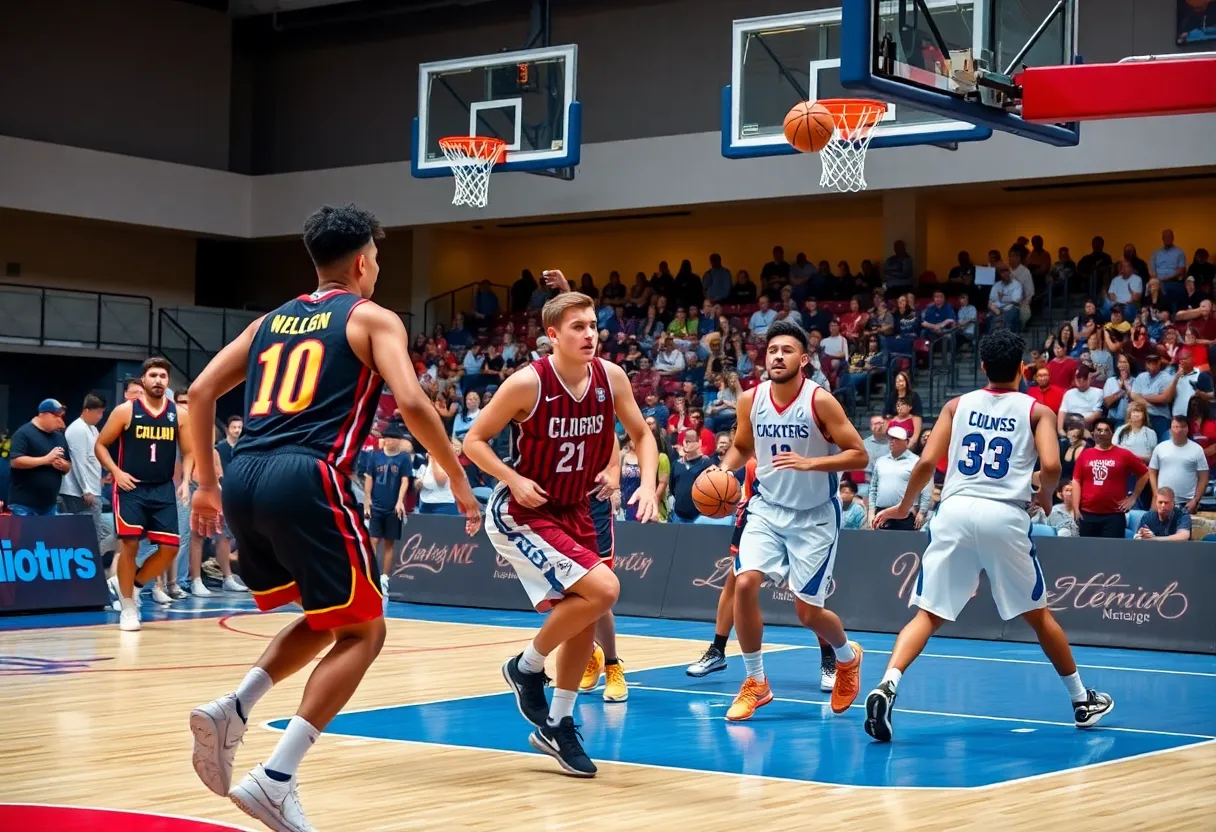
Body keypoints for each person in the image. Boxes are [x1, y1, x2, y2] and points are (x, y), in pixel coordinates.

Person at [185, 204, 480, 831]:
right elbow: (410, 400)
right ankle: (275, 780)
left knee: (326, 618)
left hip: (244, 476)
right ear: (363, 262)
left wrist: (207, 487)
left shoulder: (270, 321)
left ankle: (233, 709)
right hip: (307, 475)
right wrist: (455, 475)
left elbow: (202, 391)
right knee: (367, 632)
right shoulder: (372, 317)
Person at [867, 329, 1114, 743]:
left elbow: (926, 462)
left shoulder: (956, 405)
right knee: (1038, 615)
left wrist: (903, 508)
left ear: (982, 366)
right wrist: (1047, 497)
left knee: (928, 613)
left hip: (955, 511)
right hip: (1003, 515)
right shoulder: (1038, 411)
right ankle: (1081, 701)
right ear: (1023, 369)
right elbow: (1052, 468)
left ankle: (887, 685)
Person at [464, 278, 659, 778]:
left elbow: (640, 434)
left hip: (575, 509)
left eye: (594, 325)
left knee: (585, 612)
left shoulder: (611, 377)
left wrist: (642, 482)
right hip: (524, 511)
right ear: (553, 335)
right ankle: (527, 666)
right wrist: (512, 478)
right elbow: (474, 443)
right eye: (579, 327)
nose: (591, 334)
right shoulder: (528, 383)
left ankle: (558, 721)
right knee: (604, 588)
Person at [710, 320, 869, 722]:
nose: (777, 356)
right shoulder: (750, 399)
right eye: (771, 350)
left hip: (815, 515)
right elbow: (743, 445)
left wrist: (811, 462)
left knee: (807, 613)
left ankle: (848, 658)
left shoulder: (820, 401)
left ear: (804, 358)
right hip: (766, 507)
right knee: (744, 582)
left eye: (786, 350)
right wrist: (722, 472)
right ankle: (756, 682)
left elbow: (859, 454)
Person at [685, 457, 839, 691]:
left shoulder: (783, 446)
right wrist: (722, 475)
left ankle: (830, 659)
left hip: (802, 517)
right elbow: (733, 484)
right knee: (736, 579)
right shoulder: (747, 453)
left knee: (809, 599)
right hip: (757, 514)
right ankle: (718, 650)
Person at [93, 359, 191, 631]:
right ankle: (127, 606)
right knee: (130, 546)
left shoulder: (179, 414)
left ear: (167, 382)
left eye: (163, 376)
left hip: (162, 488)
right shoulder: (126, 411)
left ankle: (132, 584)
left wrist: (185, 480)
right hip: (130, 487)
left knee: (170, 548)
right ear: (143, 381)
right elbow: (101, 445)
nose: (158, 380)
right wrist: (115, 471)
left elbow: (190, 451)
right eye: (153, 375)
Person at [579, 436, 629, 703]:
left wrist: (614, 479)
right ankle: (589, 654)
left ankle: (612, 664)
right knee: (569, 593)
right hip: (558, 508)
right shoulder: (547, 409)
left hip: (594, 505)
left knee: (599, 592)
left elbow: (611, 448)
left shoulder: (597, 408)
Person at [1070, 417, 1151, 538]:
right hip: (1087, 514)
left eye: (1106, 430)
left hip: (1114, 515)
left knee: (1112, 554)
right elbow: (1076, 480)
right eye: (1099, 430)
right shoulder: (1085, 454)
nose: (1102, 433)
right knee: (1087, 554)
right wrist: (1075, 508)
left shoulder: (1123, 454)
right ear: (1093, 433)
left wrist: (1133, 498)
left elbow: (1145, 473)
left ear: (1112, 433)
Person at [362, 423, 413, 608]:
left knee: (390, 542)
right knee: (373, 540)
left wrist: (400, 501)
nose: (389, 440)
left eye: (393, 438)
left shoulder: (404, 458)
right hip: (376, 505)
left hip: (393, 507)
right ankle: (372, 575)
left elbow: (405, 480)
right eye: (387, 437)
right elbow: (369, 478)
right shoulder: (375, 457)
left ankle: (384, 578)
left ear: (398, 441)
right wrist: (367, 499)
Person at [59, 394, 108, 549]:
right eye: (98, 412)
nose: (100, 417)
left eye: (102, 412)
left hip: (93, 489)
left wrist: (107, 472)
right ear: (86, 410)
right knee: (86, 537)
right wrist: (86, 490)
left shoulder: (93, 429)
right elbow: (79, 462)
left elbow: (95, 458)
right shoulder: (77, 430)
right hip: (79, 493)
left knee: (95, 535)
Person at [7, 399, 71, 516]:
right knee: (24, 534)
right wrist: (46, 459)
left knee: (47, 535)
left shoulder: (59, 437)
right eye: (56, 416)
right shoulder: (23, 433)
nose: (59, 421)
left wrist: (63, 465)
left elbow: (68, 466)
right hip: (24, 505)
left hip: (49, 505)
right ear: (44, 414)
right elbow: (16, 461)